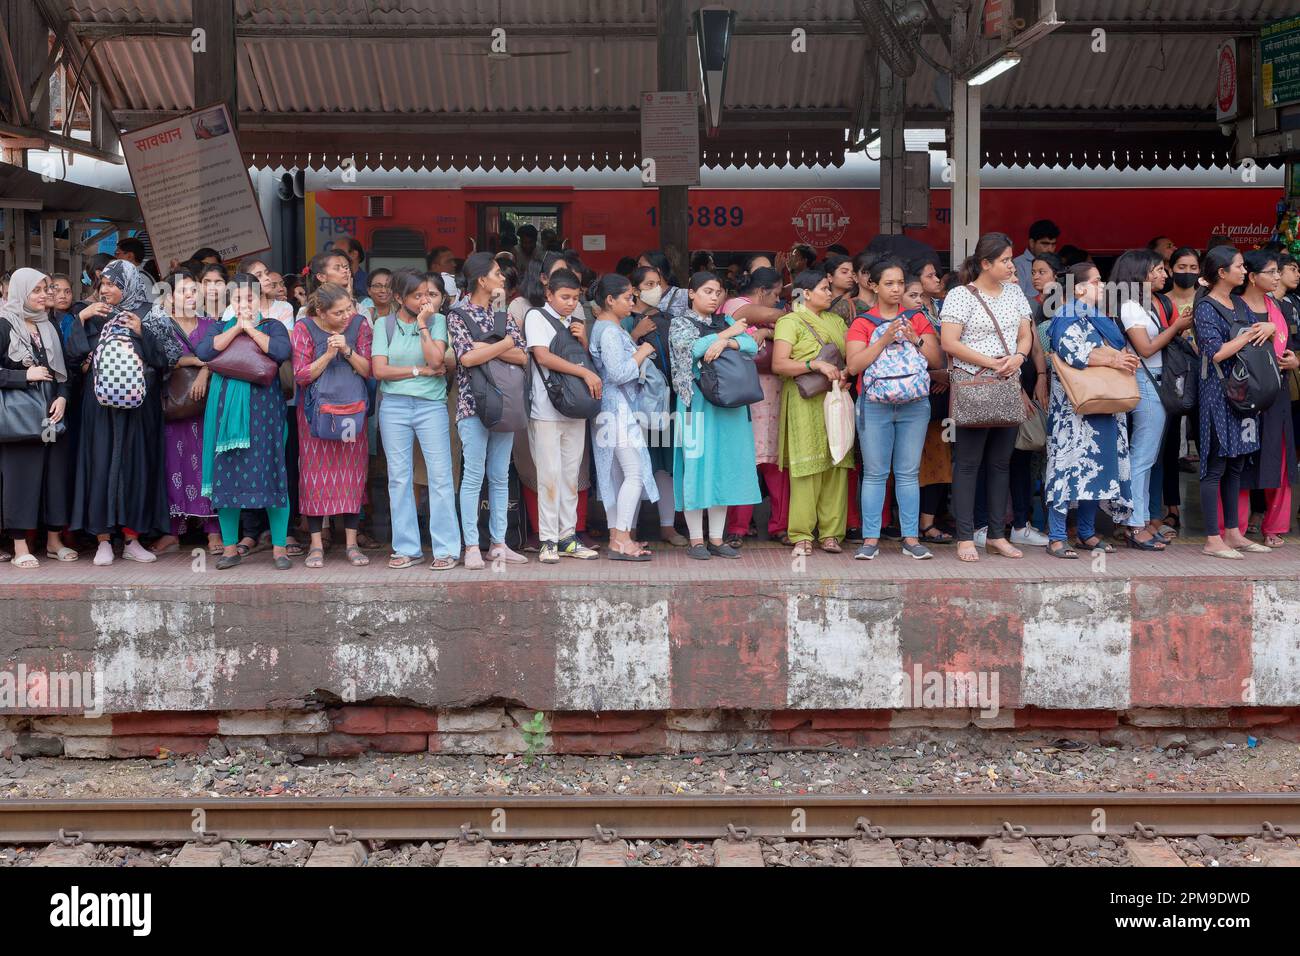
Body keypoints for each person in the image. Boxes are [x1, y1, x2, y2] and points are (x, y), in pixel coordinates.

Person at [71, 259, 178, 565]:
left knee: (135, 467)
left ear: (129, 284)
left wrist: (142, 332)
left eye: (113, 284)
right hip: (100, 407)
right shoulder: (91, 313)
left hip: (139, 407)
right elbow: (73, 357)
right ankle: (103, 540)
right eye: (103, 284)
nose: (106, 290)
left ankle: (132, 539)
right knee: (101, 464)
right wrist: (81, 318)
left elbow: (168, 359)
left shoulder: (150, 313)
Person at [940, 233, 1034, 563]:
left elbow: (1026, 334)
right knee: (967, 464)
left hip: (1008, 384)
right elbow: (949, 342)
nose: (1012, 266)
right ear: (985, 264)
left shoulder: (1016, 293)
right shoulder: (959, 296)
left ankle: (996, 535)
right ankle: (965, 537)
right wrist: (991, 362)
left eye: (1011, 260)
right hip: (974, 385)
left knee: (999, 463)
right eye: (1006, 260)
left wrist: (1019, 358)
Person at [195, 273, 294, 570]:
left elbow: (280, 352)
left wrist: (250, 329)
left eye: (248, 297)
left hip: (265, 411)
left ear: (258, 298)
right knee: (226, 477)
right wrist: (236, 327)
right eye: (237, 298)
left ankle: (279, 549)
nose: (243, 303)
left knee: (273, 471)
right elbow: (204, 352)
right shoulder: (218, 328)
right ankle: (229, 548)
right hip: (224, 411)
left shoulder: (272, 326)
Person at [845, 259, 941, 560]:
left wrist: (916, 338)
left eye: (900, 283)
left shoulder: (918, 318)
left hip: (914, 405)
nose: (897, 289)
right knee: (875, 473)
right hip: (874, 405)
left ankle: (911, 539)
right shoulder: (862, 323)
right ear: (873, 286)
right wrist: (885, 338)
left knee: (908, 473)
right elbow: (853, 365)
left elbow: (937, 362)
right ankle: (870, 540)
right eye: (889, 283)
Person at [1042, 263, 1137, 558]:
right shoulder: (1066, 314)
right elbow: (1069, 351)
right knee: (1067, 467)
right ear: (1079, 288)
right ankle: (1057, 536)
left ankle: (1086, 533)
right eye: (1097, 281)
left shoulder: (1098, 317)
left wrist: (1118, 358)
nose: (1104, 286)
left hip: (1104, 402)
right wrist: (1113, 360)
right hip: (1074, 409)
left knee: (1097, 469)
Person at [668, 273, 761, 559]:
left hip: (728, 407)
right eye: (707, 291)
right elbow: (691, 350)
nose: (714, 297)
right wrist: (724, 336)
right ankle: (696, 540)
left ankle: (716, 539)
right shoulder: (680, 322)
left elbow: (753, 345)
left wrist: (727, 342)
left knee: (724, 468)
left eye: (718, 292)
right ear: (691, 293)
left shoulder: (727, 321)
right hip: (694, 404)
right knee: (695, 467)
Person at [371, 269, 459, 570]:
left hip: (431, 406)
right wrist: (417, 371)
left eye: (427, 294)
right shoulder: (383, 324)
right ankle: (407, 547)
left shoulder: (438, 321)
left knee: (440, 476)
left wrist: (423, 325)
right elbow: (379, 371)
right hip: (394, 406)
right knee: (399, 478)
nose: (425, 300)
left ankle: (445, 549)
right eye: (416, 295)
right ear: (399, 297)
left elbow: (437, 361)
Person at [448, 252, 528, 569]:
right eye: (497, 273)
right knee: (473, 476)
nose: (502, 278)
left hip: (505, 402)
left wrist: (489, 348)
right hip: (472, 404)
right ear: (482, 280)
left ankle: (499, 543)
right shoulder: (457, 314)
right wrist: (505, 344)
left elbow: (523, 357)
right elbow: (466, 358)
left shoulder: (502, 315)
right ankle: (470, 546)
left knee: (499, 477)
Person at [1194, 246, 1273, 559]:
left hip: (1243, 393)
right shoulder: (1206, 308)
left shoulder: (1239, 302)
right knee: (1214, 465)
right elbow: (1214, 352)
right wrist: (1244, 336)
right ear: (1221, 272)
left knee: (1236, 463)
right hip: (1217, 392)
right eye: (1238, 267)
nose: (1243, 271)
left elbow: (1259, 332)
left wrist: (1267, 327)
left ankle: (1233, 533)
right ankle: (1213, 539)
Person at [1114, 249, 1192, 549]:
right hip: (1146, 385)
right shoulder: (1131, 307)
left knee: (1147, 457)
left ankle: (1144, 519)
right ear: (1140, 274)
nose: (1165, 274)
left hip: (1155, 384)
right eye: (1158, 270)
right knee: (1143, 457)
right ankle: (1134, 525)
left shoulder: (1149, 305)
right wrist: (1176, 328)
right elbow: (1146, 349)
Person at [292, 282, 373, 568]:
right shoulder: (303, 328)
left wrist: (348, 350)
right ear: (321, 312)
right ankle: (316, 545)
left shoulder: (360, 325)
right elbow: (301, 376)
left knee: (351, 474)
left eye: (349, 308)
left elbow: (370, 370)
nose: (346, 315)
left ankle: (351, 544)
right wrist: (327, 353)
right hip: (316, 415)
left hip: (352, 411)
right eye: (339, 312)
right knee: (315, 477)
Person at [771, 270, 851, 556]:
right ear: (805, 293)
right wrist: (814, 365)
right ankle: (802, 534)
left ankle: (831, 534)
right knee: (807, 466)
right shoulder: (789, 321)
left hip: (836, 395)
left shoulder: (837, 321)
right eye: (823, 289)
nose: (830, 294)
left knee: (837, 462)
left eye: (829, 289)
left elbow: (850, 357)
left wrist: (845, 374)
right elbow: (779, 364)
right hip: (805, 399)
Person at [524, 267, 600, 563]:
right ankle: (548, 540)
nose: (570, 303)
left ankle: (568, 537)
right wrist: (582, 370)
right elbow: (542, 356)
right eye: (565, 297)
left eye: (575, 298)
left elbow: (587, 361)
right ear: (549, 294)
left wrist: (583, 342)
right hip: (545, 410)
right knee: (549, 475)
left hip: (574, 409)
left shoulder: (575, 323)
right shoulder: (536, 317)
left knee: (570, 475)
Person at [0, 269, 74, 567]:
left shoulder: (49, 326)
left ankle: (54, 542)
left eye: (47, 288)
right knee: (22, 479)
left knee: (54, 476)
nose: (45, 294)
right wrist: (23, 375)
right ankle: (20, 547)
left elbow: (63, 370)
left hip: (50, 412)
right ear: (20, 293)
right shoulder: (4, 325)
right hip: (20, 416)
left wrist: (63, 396)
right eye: (37, 290)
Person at [151, 270, 222, 557]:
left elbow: (222, 356)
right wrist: (194, 360)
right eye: (184, 292)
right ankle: (172, 532)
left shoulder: (212, 325)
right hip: (174, 408)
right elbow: (158, 360)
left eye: (195, 291)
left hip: (206, 407)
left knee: (208, 465)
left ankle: (214, 533)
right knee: (173, 465)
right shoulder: (160, 326)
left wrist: (205, 370)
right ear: (169, 297)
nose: (192, 297)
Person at [588, 274, 658, 560]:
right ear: (610, 300)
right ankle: (621, 538)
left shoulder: (605, 328)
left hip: (612, 408)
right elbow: (617, 373)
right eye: (628, 297)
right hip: (616, 408)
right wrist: (641, 352)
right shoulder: (608, 331)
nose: (633, 302)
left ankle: (617, 537)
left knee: (617, 476)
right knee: (635, 473)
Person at [1233, 249, 1298, 547]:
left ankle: (1274, 525)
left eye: (1277, 272)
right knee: (1242, 459)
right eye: (1271, 272)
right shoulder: (1234, 306)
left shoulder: (1279, 307)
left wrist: (1294, 360)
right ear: (1252, 276)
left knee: (1278, 458)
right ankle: (1236, 527)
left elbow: (1288, 347)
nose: (1276, 277)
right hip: (1243, 392)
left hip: (1277, 391)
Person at [720, 268, 788, 547]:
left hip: (772, 394)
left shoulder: (755, 311)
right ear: (761, 292)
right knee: (744, 462)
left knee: (776, 463)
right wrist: (768, 327)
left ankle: (779, 526)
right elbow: (782, 318)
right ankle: (738, 526)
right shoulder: (737, 305)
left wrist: (763, 332)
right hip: (746, 394)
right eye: (775, 295)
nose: (777, 301)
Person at [624, 264, 687, 546]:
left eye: (658, 283)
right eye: (648, 284)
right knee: (634, 466)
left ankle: (667, 527)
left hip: (666, 403)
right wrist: (635, 335)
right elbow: (613, 361)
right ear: (635, 290)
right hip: (635, 404)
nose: (656, 289)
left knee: (664, 465)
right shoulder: (624, 321)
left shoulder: (670, 319)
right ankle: (629, 529)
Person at [1157, 246, 1201, 536]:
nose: (1187, 273)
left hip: (1204, 379)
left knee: (1206, 444)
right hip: (1170, 380)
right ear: (1170, 270)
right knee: (1168, 446)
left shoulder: (1207, 301)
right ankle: (1171, 509)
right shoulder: (1161, 302)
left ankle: (1217, 512)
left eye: (1193, 267)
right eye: (1181, 267)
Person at [1013, 219, 1060, 299]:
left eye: (1053, 245)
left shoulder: (1056, 263)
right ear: (1032, 243)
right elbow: (1017, 299)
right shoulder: (1018, 265)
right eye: (1045, 244)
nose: (1050, 249)